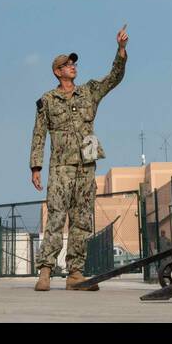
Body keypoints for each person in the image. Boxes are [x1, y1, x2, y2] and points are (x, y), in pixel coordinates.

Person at [29, 26, 127, 292]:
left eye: (73, 63)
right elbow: (39, 134)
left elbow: (113, 78)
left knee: (82, 219)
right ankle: (46, 271)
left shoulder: (89, 92)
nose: (72, 67)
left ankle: (75, 273)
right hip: (60, 167)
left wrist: (120, 50)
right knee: (56, 218)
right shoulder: (48, 100)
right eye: (66, 64)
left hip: (86, 164)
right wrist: (35, 166)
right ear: (57, 71)